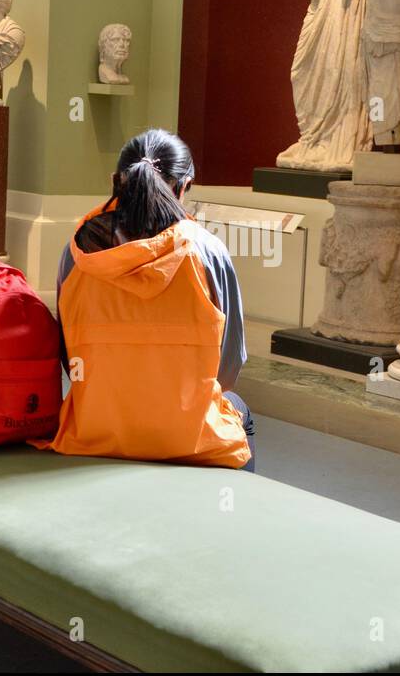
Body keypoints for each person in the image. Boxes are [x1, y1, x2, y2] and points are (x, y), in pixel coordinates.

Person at [44, 129, 255, 471]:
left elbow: (70, 358)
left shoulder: (77, 251)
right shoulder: (207, 251)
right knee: (239, 407)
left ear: (117, 181)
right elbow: (228, 369)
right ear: (184, 187)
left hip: (95, 428)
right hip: (188, 436)